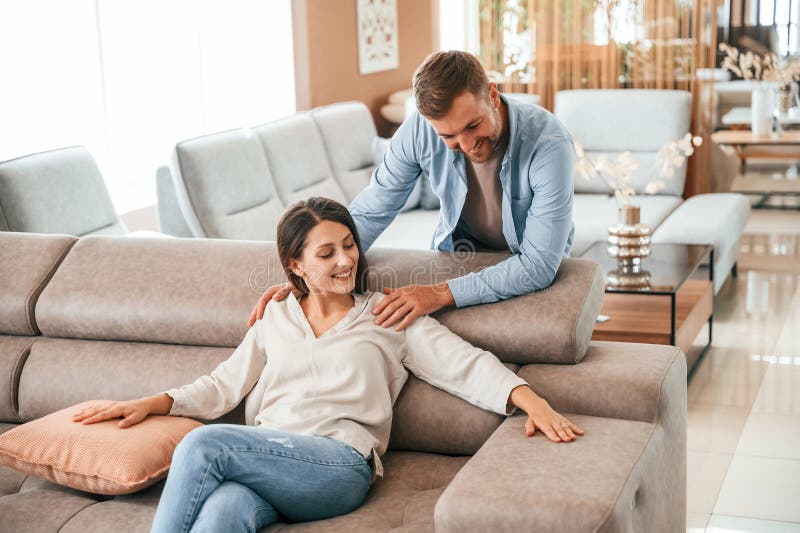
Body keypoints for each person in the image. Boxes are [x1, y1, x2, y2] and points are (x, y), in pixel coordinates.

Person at [73, 197, 583, 533]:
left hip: (338, 466)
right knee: (221, 512)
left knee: (204, 443)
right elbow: (224, 385)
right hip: (267, 467)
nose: (345, 261)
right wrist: (152, 402)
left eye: (349, 245)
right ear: (296, 265)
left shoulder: (386, 314)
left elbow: (465, 364)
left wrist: (530, 400)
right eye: (326, 254)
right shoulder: (275, 315)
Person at [248, 51, 575, 332]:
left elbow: (537, 265)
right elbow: (373, 209)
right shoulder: (419, 129)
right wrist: (311, 278)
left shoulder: (548, 144)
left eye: (473, 125)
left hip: (525, 260)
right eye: (448, 136)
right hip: (459, 255)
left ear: (492, 94)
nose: (467, 145)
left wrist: (440, 292)